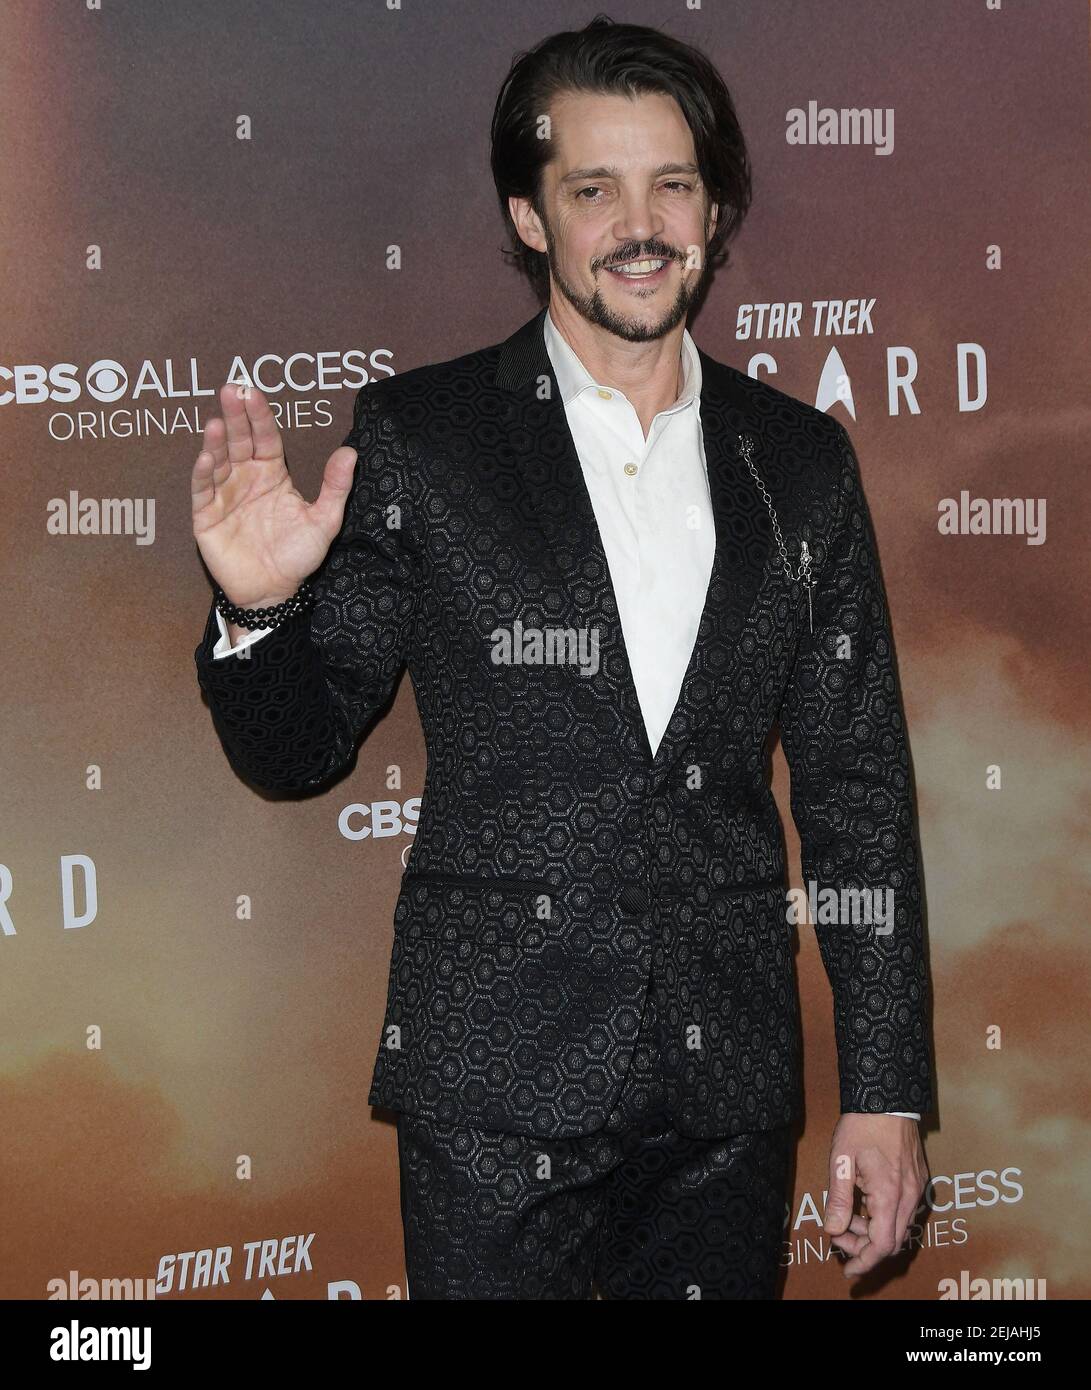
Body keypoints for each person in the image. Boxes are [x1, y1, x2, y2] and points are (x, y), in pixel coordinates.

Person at [191, 15, 934, 1299]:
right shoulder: (424, 441)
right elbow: (297, 751)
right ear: (531, 217)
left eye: (672, 184)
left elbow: (855, 792)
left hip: (726, 1097)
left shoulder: (799, 461)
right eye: (593, 188)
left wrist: (883, 1090)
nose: (637, 224)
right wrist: (258, 616)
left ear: (712, 210)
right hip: (493, 1090)